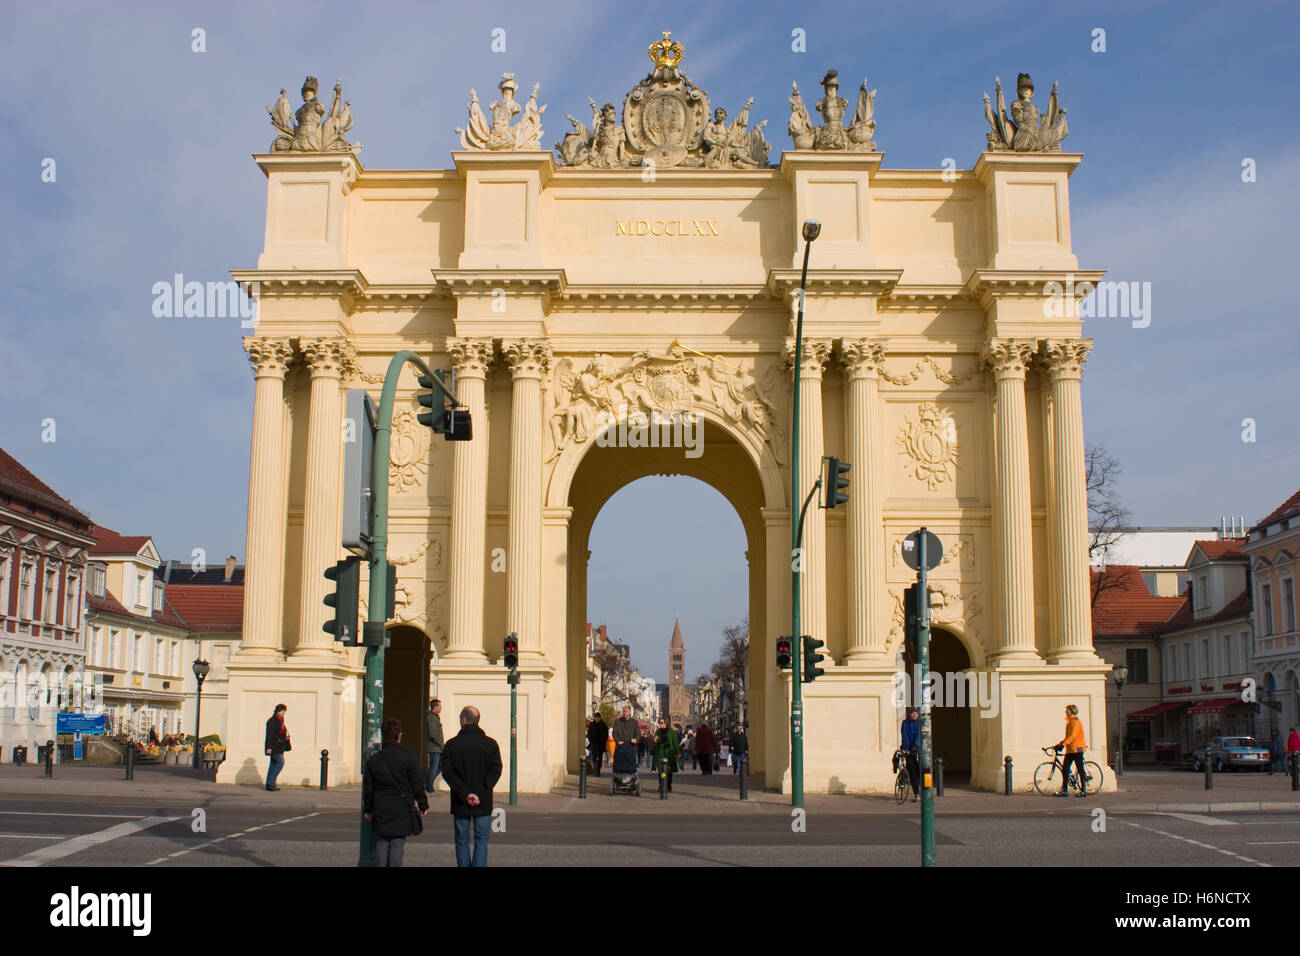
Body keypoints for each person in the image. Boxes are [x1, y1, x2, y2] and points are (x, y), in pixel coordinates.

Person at [441, 706, 503, 867]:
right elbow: (495, 770)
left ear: (463, 720)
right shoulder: (491, 744)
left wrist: (465, 793)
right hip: (483, 800)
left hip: (460, 801)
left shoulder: (451, 745)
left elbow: (448, 772)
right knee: (481, 839)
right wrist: (480, 793)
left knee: (461, 840)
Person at [363, 718, 427, 867]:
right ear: (399, 736)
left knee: (381, 843)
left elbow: (369, 788)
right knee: (397, 843)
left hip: (381, 805)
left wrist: (368, 809)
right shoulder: (408, 757)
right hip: (401, 805)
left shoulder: (374, 760)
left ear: (383, 736)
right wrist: (423, 803)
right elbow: (417, 783)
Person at [1054, 704, 1088, 797]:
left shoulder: (1075, 722)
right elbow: (1067, 737)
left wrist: (1063, 744)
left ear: (1072, 711)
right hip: (1070, 749)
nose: (1066, 711)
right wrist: (1060, 744)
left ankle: (1083, 790)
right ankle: (1064, 790)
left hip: (1077, 749)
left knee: (1080, 770)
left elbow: (1073, 736)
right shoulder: (1069, 722)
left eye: (1067, 710)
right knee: (1065, 769)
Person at [264, 704, 289, 791]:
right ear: (278, 711)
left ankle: (269, 784)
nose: (283, 713)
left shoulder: (280, 721)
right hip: (274, 747)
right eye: (283, 711)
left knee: (273, 765)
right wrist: (268, 747)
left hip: (279, 747)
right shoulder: (273, 721)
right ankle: (271, 782)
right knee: (280, 763)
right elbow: (269, 735)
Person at [653, 717, 680, 792]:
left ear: (666, 723)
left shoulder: (671, 732)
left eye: (661, 723)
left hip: (669, 754)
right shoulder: (658, 732)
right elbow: (656, 739)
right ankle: (661, 786)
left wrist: (677, 752)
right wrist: (655, 740)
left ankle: (668, 786)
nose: (660, 724)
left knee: (669, 771)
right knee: (661, 771)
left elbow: (675, 743)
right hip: (661, 753)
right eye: (660, 723)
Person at [425, 698, 444, 793]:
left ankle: (429, 784)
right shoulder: (432, 718)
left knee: (440, 767)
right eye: (439, 706)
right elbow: (433, 734)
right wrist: (441, 745)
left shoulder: (435, 717)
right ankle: (429, 787)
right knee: (434, 767)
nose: (441, 708)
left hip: (437, 748)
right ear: (435, 707)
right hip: (434, 747)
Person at [900, 708, 920, 801]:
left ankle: (923, 791)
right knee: (912, 773)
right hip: (908, 750)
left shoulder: (919, 723)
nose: (915, 715)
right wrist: (904, 748)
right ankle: (917, 793)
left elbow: (918, 735)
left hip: (917, 750)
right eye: (913, 713)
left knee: (921, 771)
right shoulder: (905, 723)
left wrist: (916, 745)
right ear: (910, 714)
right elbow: (904, 736)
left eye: (916, 713)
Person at [587, 712, 609, 777]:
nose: (597, 719)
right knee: (593, 757)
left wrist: (603, 740)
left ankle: (598, 770)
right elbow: (589, 734)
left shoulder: (603, 725)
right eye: (596, 718)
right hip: (593, 743)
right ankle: (594, 769)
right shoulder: (592, 725)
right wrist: (591, 740)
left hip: (600, 744)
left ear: (600, 718)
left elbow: (606, 734)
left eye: (598, 718)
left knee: (599, 758)